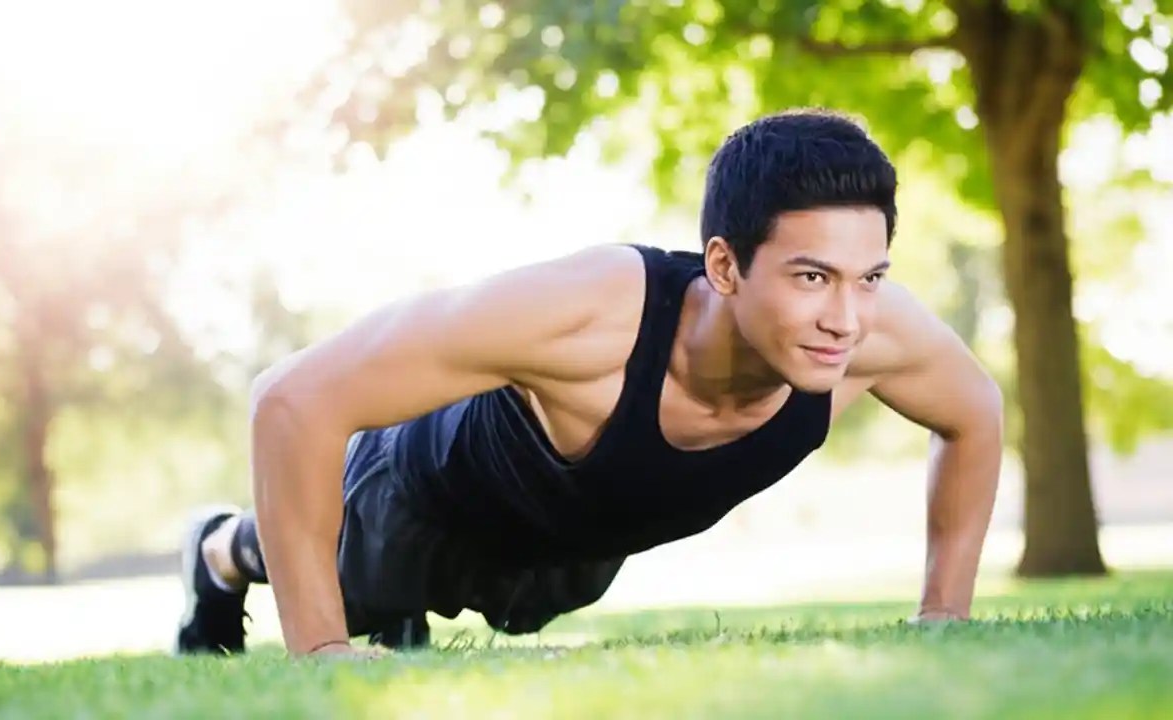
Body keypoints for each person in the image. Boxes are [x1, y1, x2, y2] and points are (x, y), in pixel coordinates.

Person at [174, 108, 1003, 659]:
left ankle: (390, 610)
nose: (846, 318)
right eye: (813, 277)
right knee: (335, 579)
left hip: (562, 554)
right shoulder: (593, 314)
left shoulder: (872, 331)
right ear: (724, 265)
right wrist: (321, 658)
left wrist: (943, 613)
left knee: (474, 606)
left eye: (870, 277)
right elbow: (290, 399)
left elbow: (975, 414)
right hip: (420, 497)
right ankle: (219, 551)